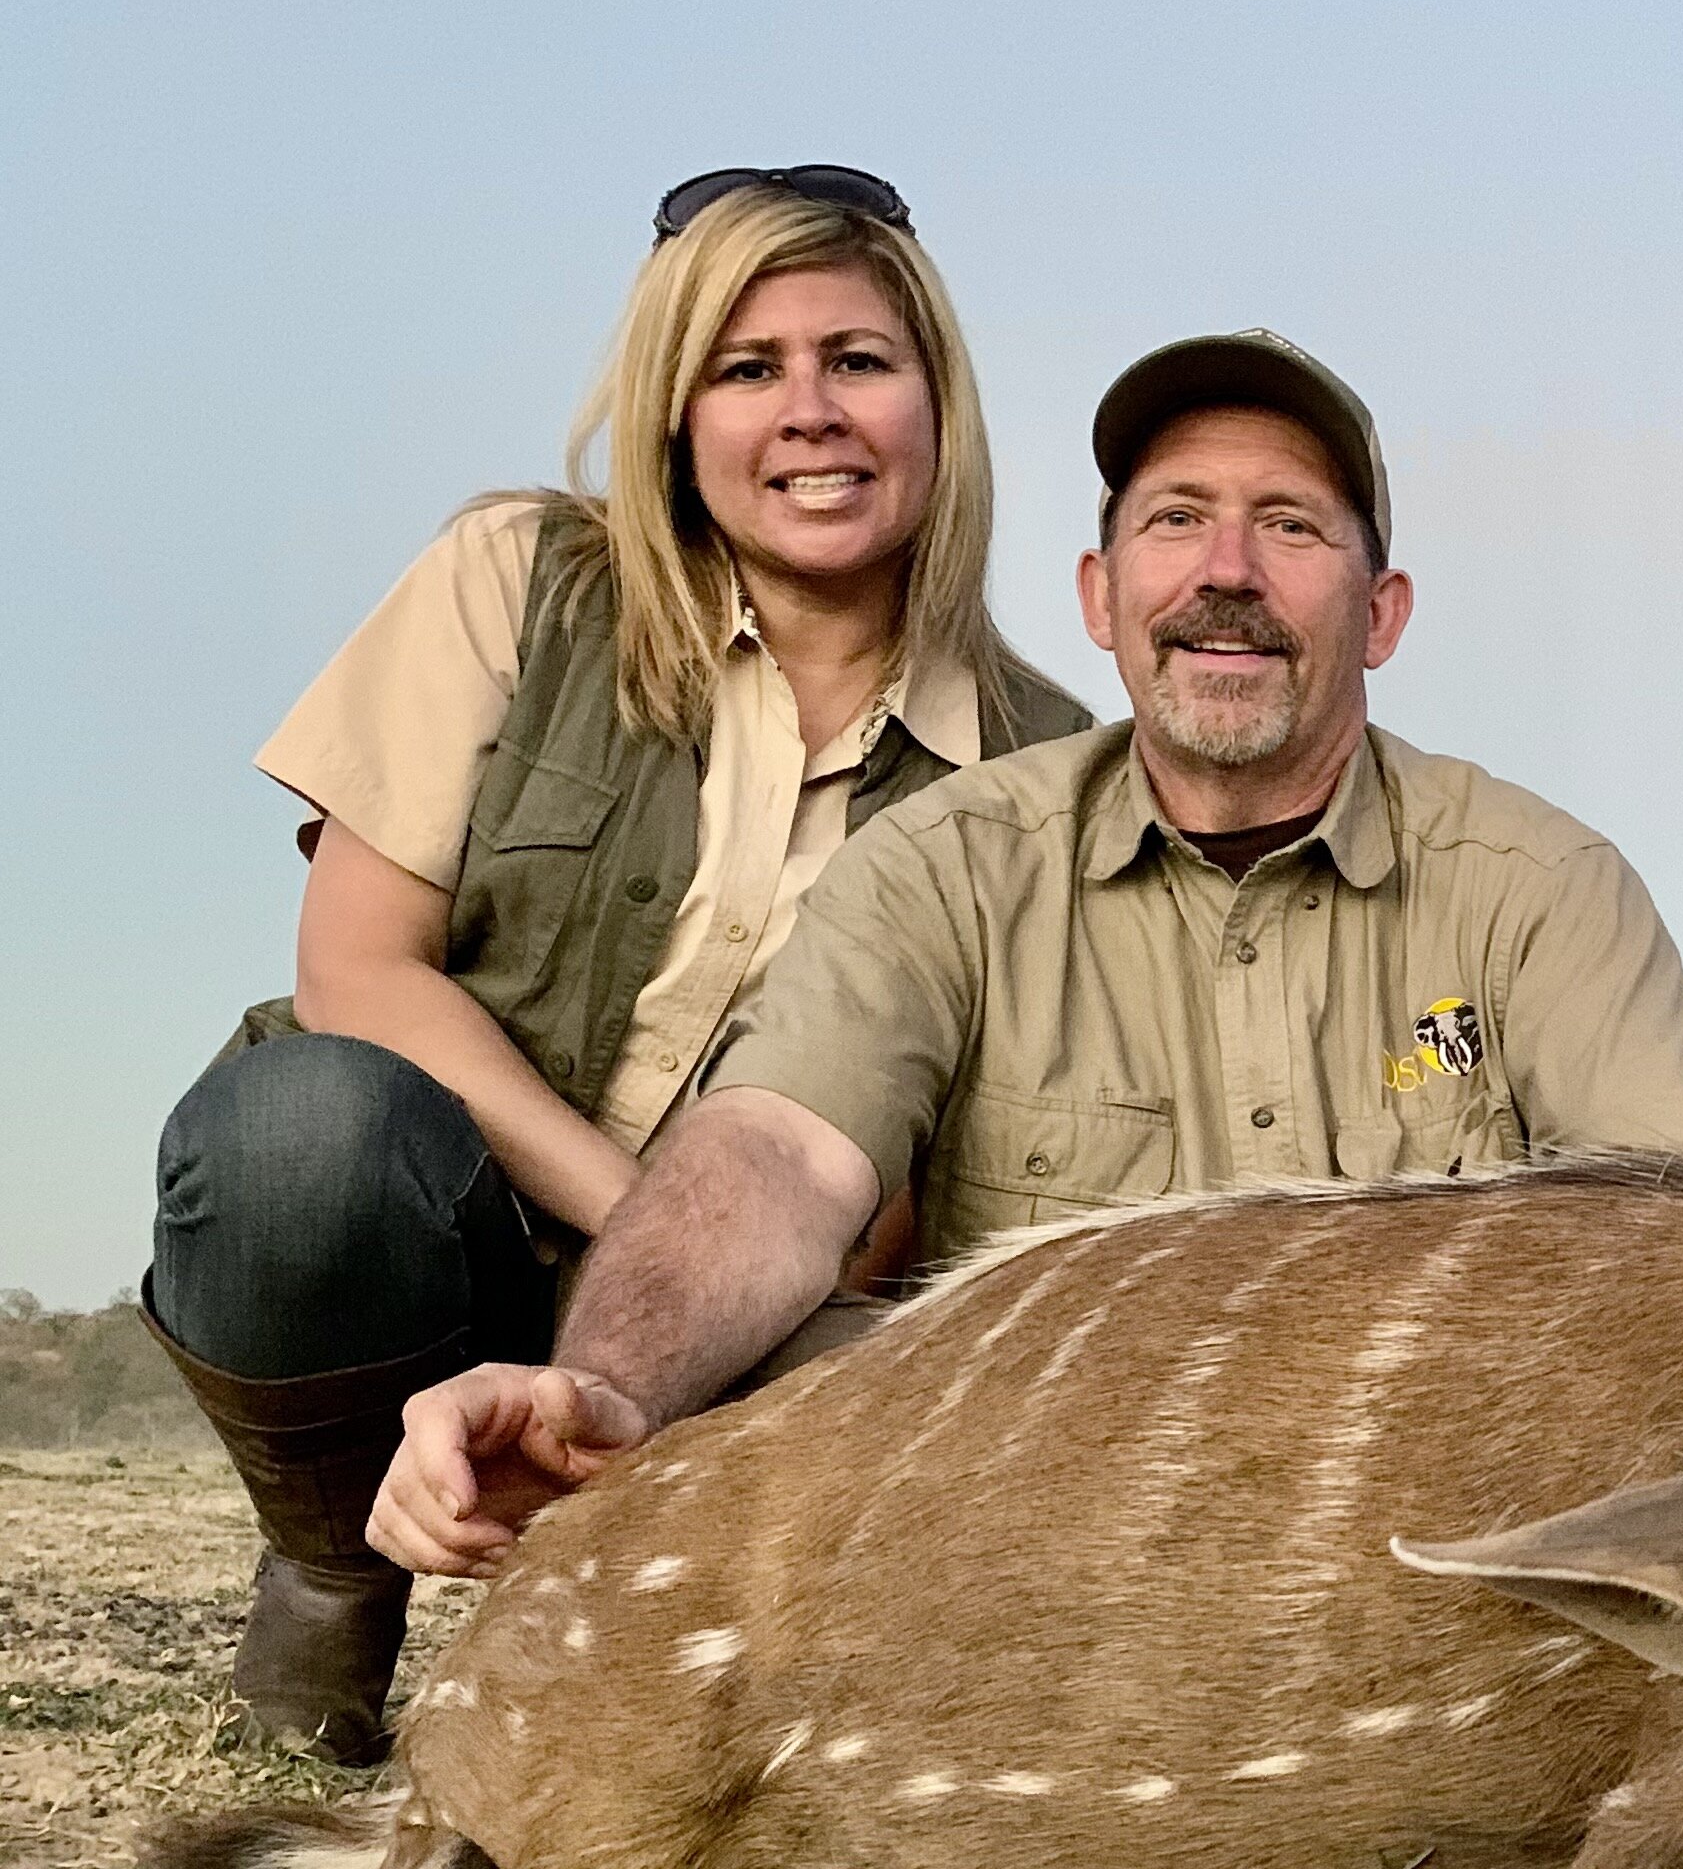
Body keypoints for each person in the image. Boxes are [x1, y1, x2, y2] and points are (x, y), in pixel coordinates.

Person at [368, 329, 1683, 1581]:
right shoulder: (948, 865)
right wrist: (605, 1389)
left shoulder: (1540, 890)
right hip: (1038, 1541)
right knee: (782, 1379)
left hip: (1411, 1543)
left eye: (1290, 526)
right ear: (1101, 597)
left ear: (1382, 612)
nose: (1229, 571)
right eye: (1177, 522)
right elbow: (779, 1157)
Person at [147, 168, 1092, 1759]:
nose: (810, 413)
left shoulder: (1046, 763)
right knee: (301, 1136)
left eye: (859, 361)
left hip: (779, 1297)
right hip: (458, 1226)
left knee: (920, 1404)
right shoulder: (519, 576)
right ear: (673, 413)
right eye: (746, 368)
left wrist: (693, 1307)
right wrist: (647, 1228)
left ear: (940, 404)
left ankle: (643, 1630)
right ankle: (328, 1569)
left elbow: (924, 1179)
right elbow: (359, 970)